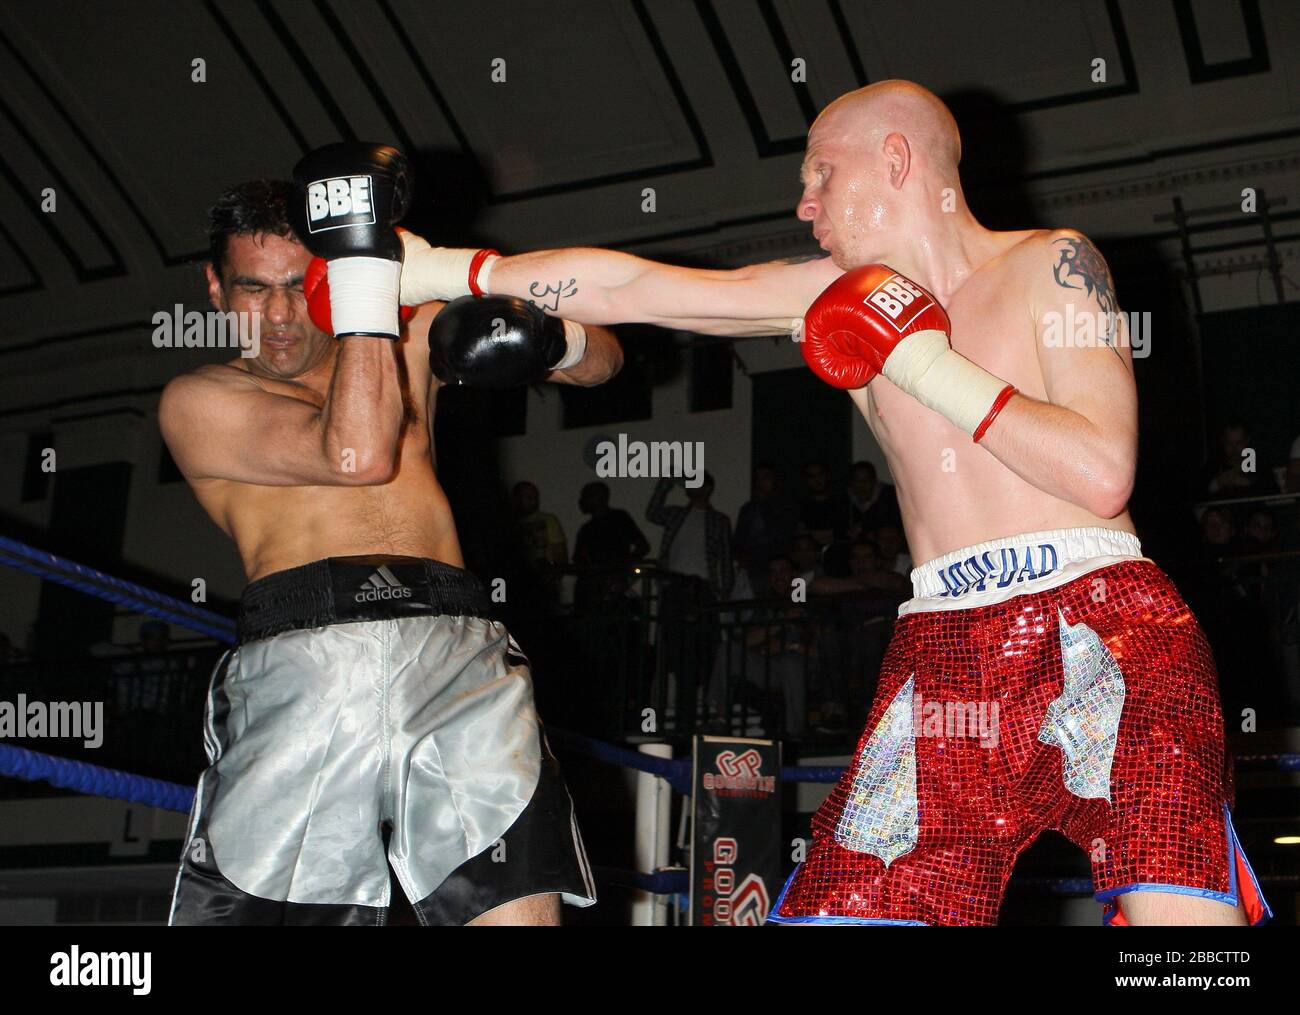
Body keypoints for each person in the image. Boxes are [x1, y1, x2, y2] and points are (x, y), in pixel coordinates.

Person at [355, 81, 1268, 926]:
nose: (804, 206)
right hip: (945, 648)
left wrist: (924, 365)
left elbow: (1103, 471)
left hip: (1109, 623)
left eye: (821, 177)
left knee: (1180, 924)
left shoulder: (1052, 266)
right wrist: (439, 271)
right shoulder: (825, 296)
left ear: (899, 162)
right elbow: (638, 287)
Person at [158, 152, 619, 925]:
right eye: (251, 288)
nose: (278, 317)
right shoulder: (201, 400)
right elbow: (357, 453)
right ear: (215, 289)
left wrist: (548, 340)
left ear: (325, 277)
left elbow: (607, 359)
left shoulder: (408, 334)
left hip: (457, 650)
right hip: (306, 661)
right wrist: (366, 272)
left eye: (297, 286)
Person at [732, 464, 798, 592]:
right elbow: (738, 542)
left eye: (766, 477)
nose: (761, 481)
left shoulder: (788, 506)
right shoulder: (748, 510)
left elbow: (788, 534)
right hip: (756, 571)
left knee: (792, 602)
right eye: (758, 478)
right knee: (761, 605)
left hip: (784, 568)